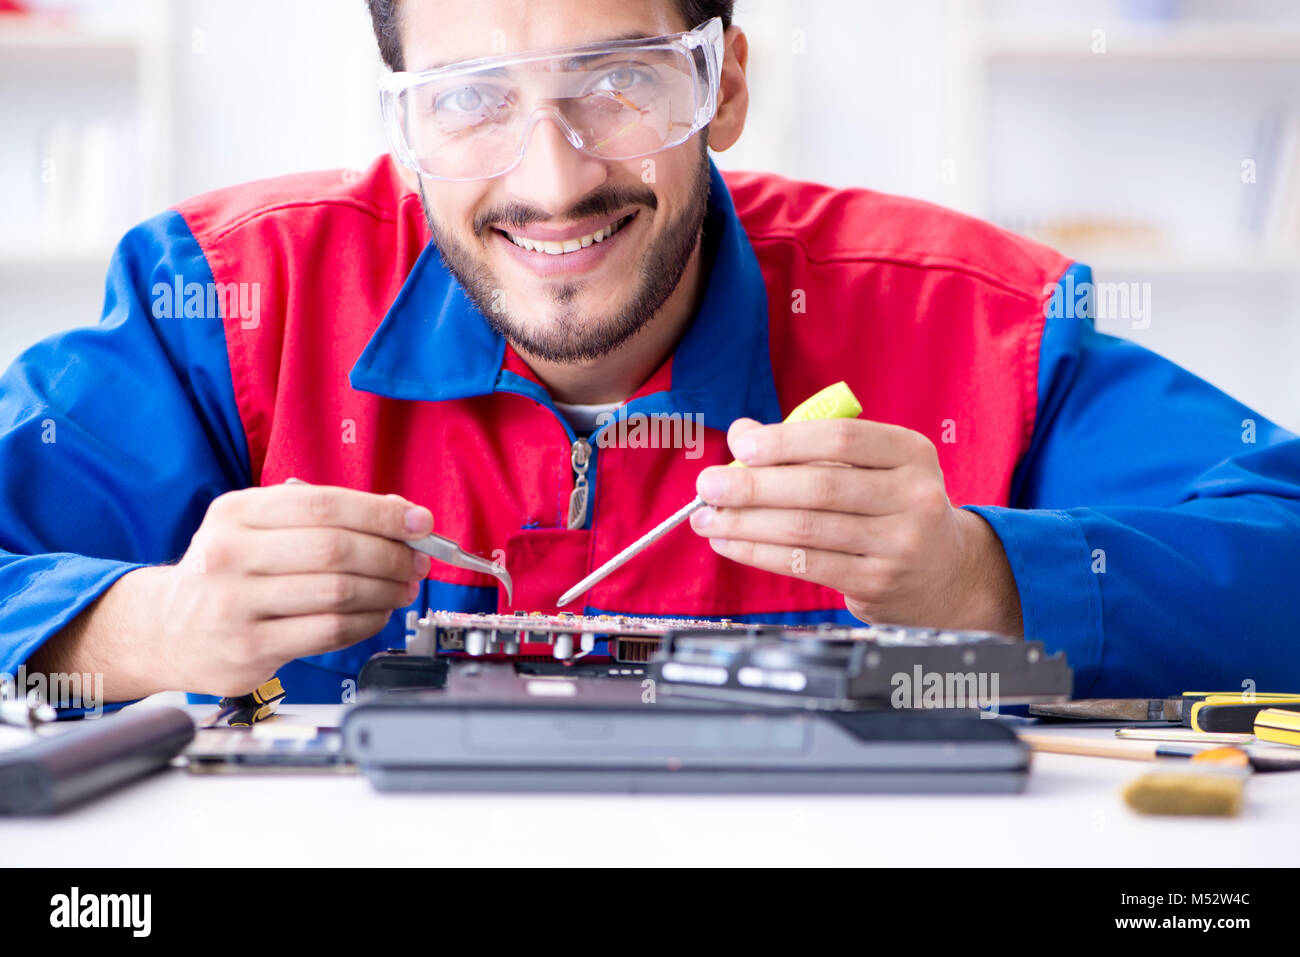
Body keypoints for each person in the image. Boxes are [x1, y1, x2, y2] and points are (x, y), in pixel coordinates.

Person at [2, 0, 1296, 708]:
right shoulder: (227, 303)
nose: (553, 177)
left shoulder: (974, 319)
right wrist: (158, 623)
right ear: (402, 124)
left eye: (622, 80)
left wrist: (982, 577)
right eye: (471, 100)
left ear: (724, 82)